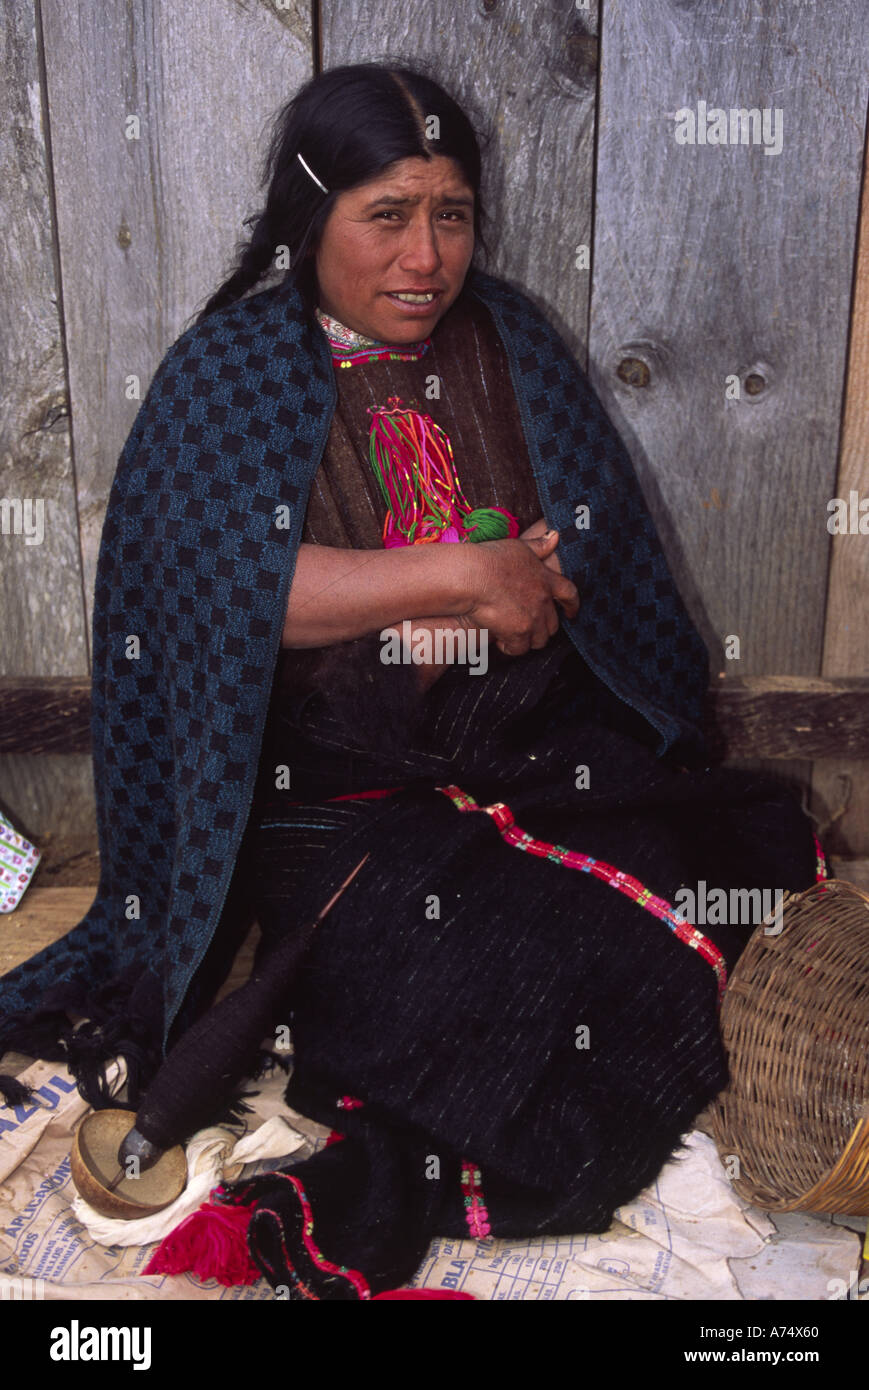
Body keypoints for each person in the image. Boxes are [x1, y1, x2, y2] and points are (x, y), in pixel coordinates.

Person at [0, 62, 824, 1299]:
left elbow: (588, 549)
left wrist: (535, 580)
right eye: (386, 215)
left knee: (728, 870)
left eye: (451, 212)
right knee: (466, 980)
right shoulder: (228, 374)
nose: (424, 255)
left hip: (521, 752)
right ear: (307, 216)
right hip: (327, 797)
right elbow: (213, 589)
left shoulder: (511, 339)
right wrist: (455, 574)